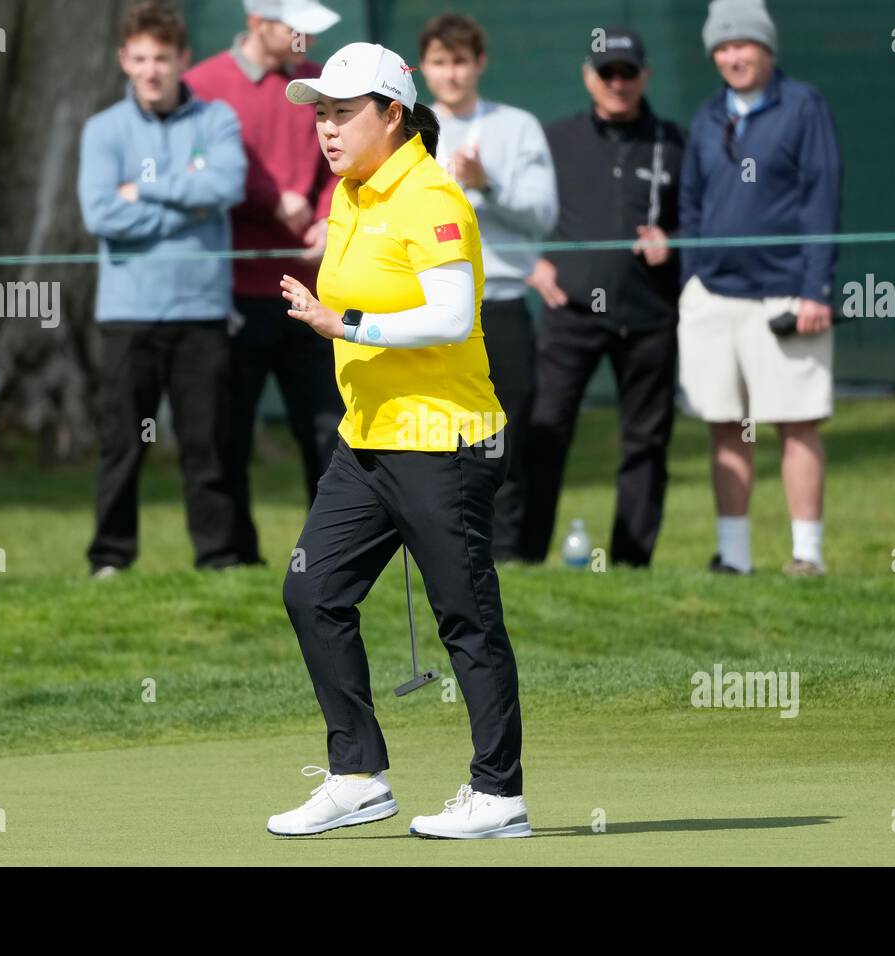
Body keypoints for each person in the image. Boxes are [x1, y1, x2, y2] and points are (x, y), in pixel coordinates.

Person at [269, 43, 528, 839]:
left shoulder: (432, 195)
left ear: (393, 115)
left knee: (465, 615)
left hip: (443, 442)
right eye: (319, 113)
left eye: (343, 112)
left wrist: (340, 322)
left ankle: (499, 796)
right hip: (368, 441)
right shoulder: (350, 192)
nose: (327, 128)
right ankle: (356, 776)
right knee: (312, 592)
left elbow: (452, 316)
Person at [77, 1, 248, 576]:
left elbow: (227, 183)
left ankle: (219, 555)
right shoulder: (102, 130)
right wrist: (190, 204)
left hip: (202, 308)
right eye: (141, 58)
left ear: (183, 60)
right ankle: (111, 557)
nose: (152, 70)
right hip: (128, 312)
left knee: (209, 442)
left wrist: (143, 193)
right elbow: (101, 215)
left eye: (163, 58)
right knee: (123, 443)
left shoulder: (217, 119)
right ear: (125, 60)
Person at [677, 0, 842, 576]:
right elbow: (691, 206)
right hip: (713, 297)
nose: (732, 56)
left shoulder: (804, 107)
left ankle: (807, 556)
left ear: (767, 48)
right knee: (724, 424)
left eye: (743, 44)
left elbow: (823, 199)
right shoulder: (705, 118)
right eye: (721, 47)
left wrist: (817, 288)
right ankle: (734, 558)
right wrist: (690, 277)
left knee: (796, 424)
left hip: (787, 294)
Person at [186, 0, 345, 566]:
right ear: (258, 22)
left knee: (326, 431)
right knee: (226, 433)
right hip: (230, 292)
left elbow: (339, 166)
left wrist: (327, 215)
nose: (305, 39)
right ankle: (231, 557)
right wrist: (271, 200)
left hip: (311, 295)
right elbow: (197, 170)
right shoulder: (200, 84)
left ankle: (330, 555)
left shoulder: (318, 82)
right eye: (295, 27)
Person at [520, 28, 685, 567]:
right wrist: (530, 262)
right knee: (544, 433)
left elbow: (705, 221)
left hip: (650, 314)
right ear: (589, 77)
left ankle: (633, 562)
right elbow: (512, 210)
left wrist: (674, 244)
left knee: (645, 441)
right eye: (607, 72)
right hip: (570, 313)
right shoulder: (553, 140)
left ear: (645, 77)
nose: (618, 83)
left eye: (628, 72)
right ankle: (525, 556)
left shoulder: (675, 142)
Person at [418, 13, 557, 561]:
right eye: (438, 62)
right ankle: (442, 544)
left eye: (459, 61)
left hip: (497, 301)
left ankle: (507, 551)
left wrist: (486, 185)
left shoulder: (517, 126)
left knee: (504, 433)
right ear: (423, 67)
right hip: (428, 306)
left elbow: (542, 215)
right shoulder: (407, 126)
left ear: (479, 64)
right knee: (435, 436)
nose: (450, 74)